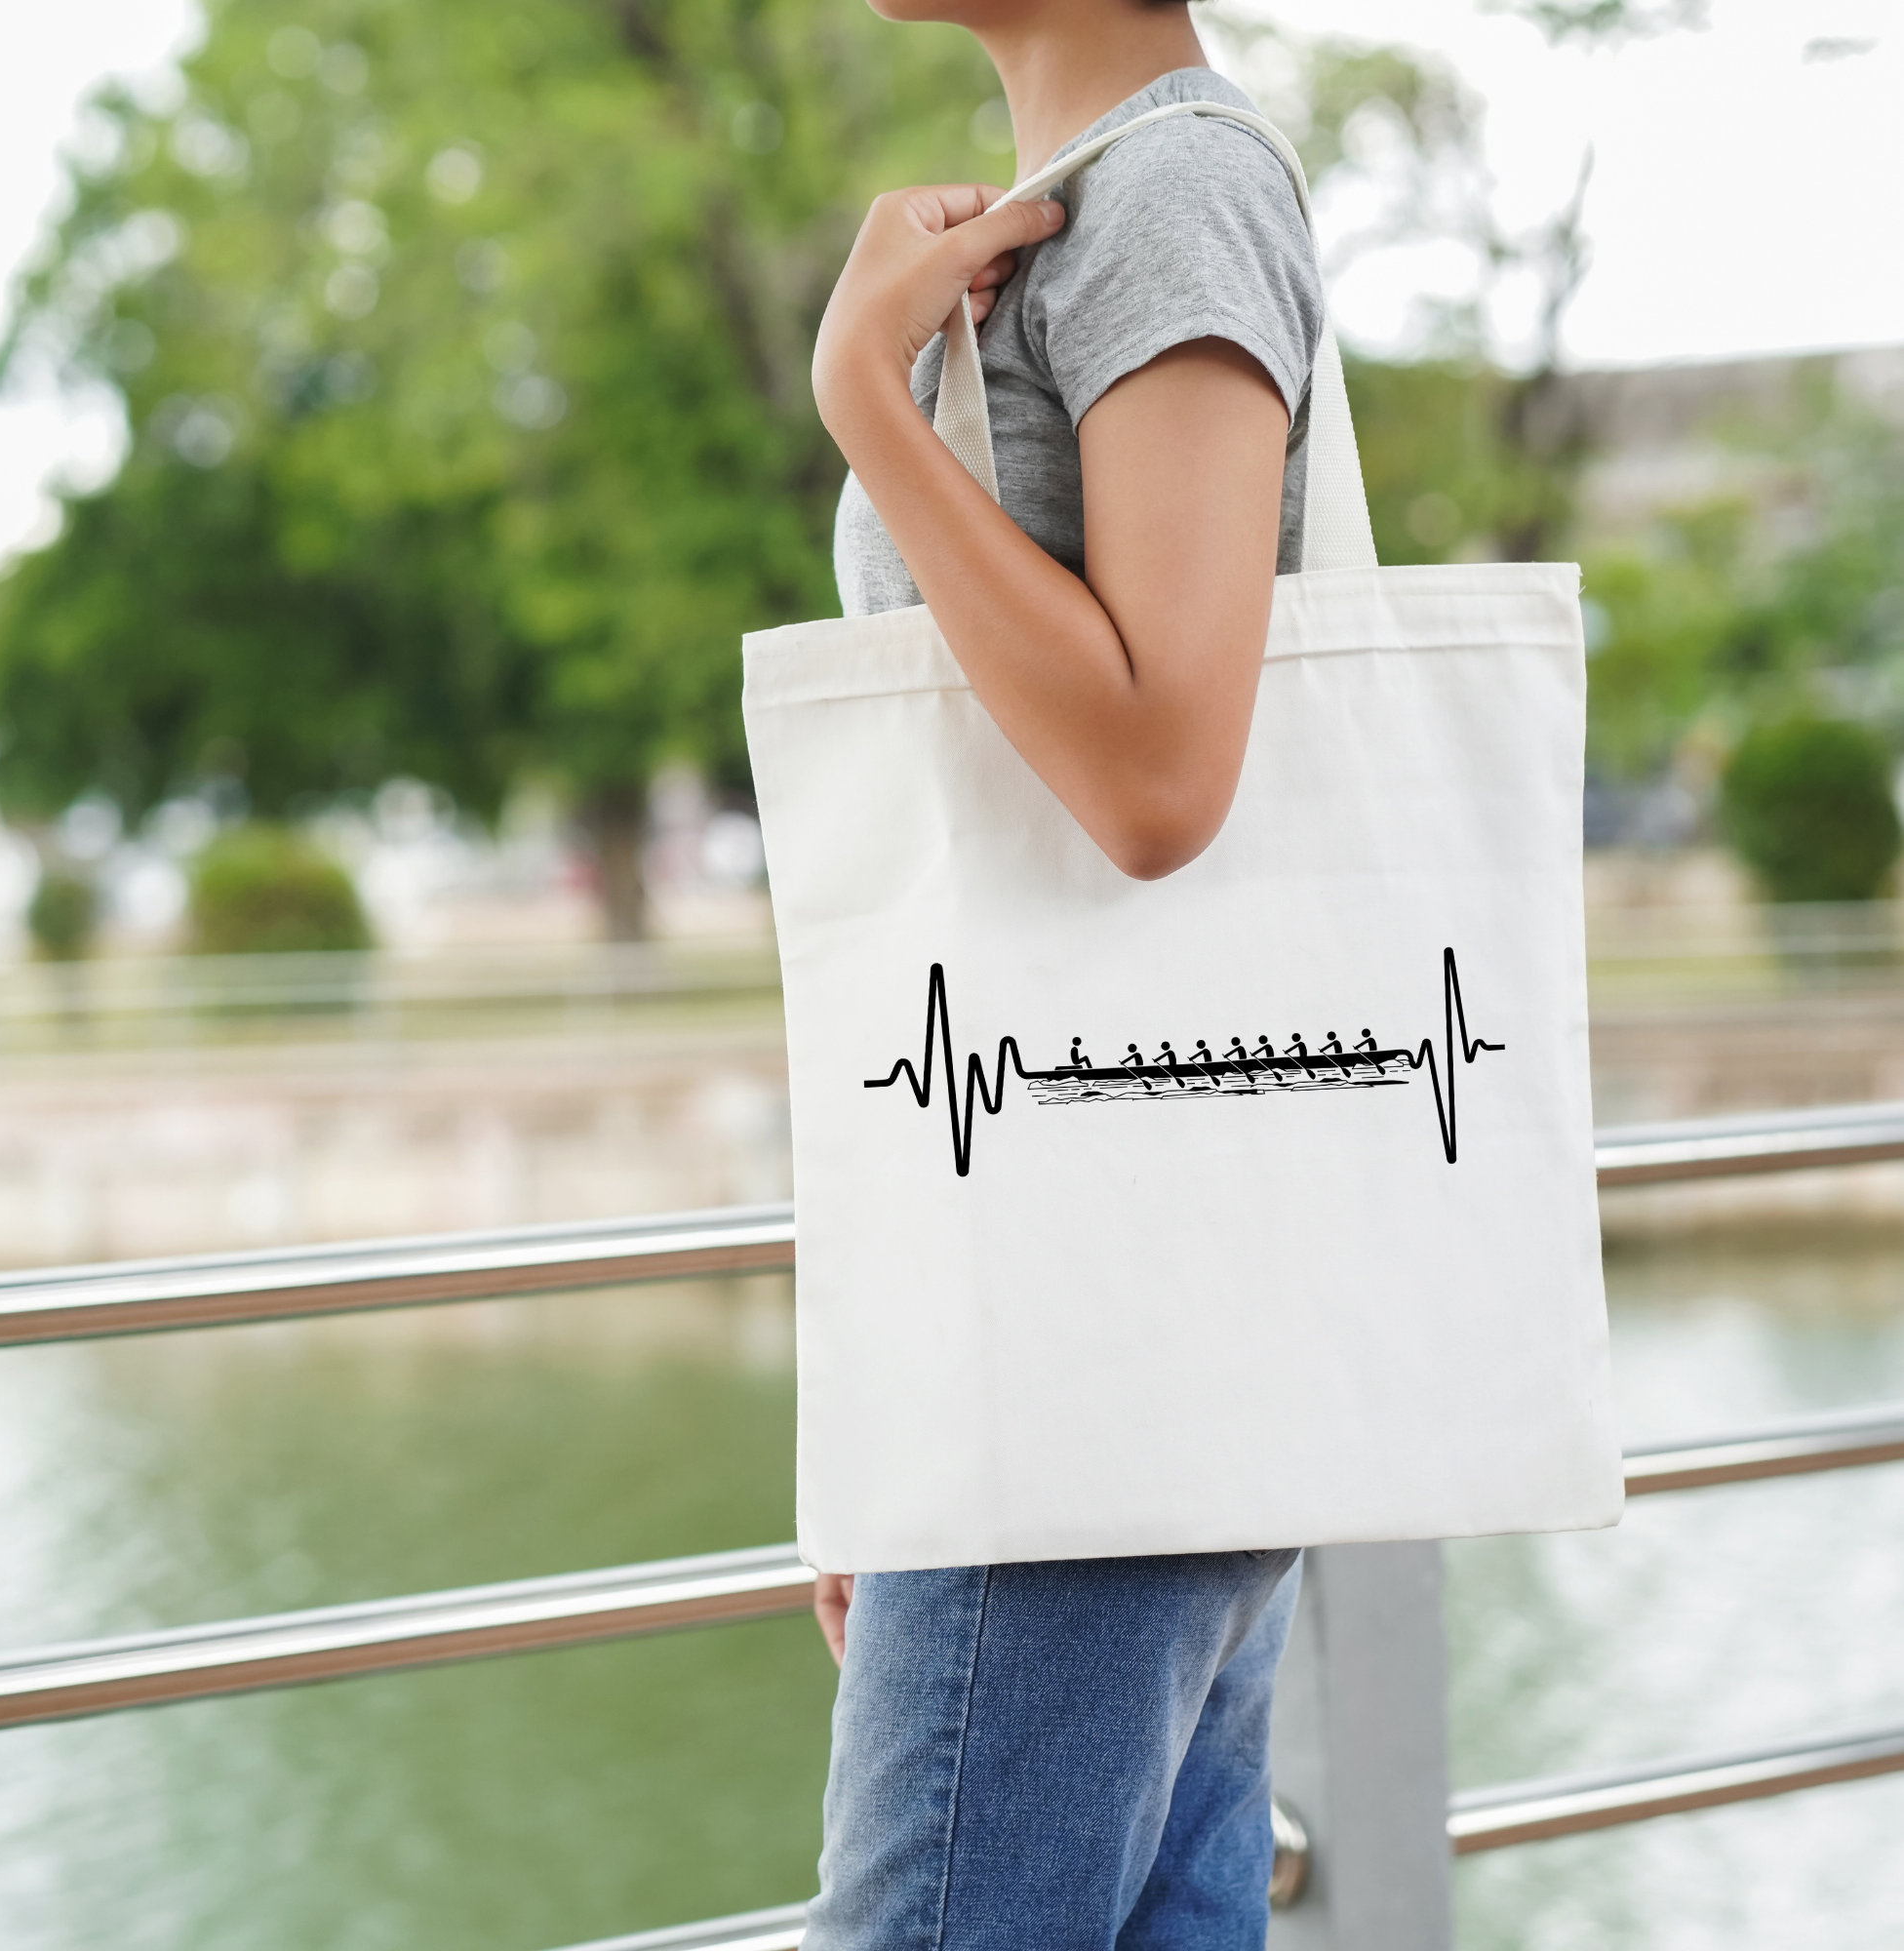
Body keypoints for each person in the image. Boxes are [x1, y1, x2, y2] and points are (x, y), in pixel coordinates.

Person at [802, 1, 1320, 1945]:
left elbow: (1156, 771)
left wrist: (867, 400)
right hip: (1088, 1308)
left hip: (1089, 1337)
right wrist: (878, 1402)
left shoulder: (1172, 191)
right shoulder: (1079, 206)